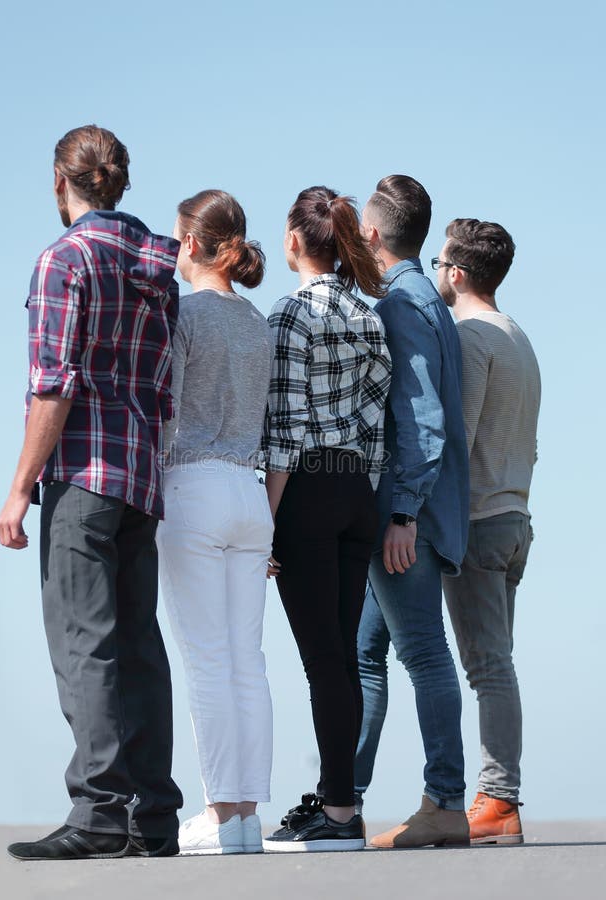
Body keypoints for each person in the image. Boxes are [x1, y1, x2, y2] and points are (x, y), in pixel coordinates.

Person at [0, 125, 183, 860]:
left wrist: (19, 490)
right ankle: (153, 817)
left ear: (59, 180)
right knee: (138, 644)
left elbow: (54, 386)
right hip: (141, 475)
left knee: (84, 645)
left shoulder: (64, 259)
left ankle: (100, 811)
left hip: (82, 474)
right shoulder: (157, 265)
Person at [262, 186, 392, 852]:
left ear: (293, 240)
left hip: (307, 491)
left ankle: (339, 813)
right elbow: (375, 424)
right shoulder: (369, 315)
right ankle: (342, 803)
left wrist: (264, 523)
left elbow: (284, 429)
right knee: (341, 658)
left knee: (324, 662)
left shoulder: (289, 314)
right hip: (356, 493)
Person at [156, 190, 275, 856]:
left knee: (206, 660)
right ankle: (247, 816)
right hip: (249, 495)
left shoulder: (181, 312)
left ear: (192, 244)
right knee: (247, 662)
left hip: (194, 485)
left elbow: (165, 407)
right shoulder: (257, 319)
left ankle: (218, 814)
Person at [357, 175, 470, 849]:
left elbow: (424, 420)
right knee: (364, 654)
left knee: (423, 653)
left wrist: (402, 514)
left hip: (407, 516)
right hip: (412, 509)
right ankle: (342, 802)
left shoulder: (401, 304)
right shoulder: (426, 298)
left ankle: (445, 801)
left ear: (372, 233)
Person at [436, 218, 541, 845]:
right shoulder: (515, 333)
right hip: (516, 516)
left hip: (479, 522)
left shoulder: (471, 336)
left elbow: (458, 438)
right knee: (496, 662)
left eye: (438, 262)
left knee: (487, 666)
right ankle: (496, 798)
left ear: (456, 273)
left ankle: (498, 799)